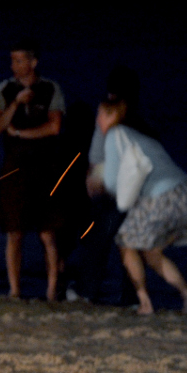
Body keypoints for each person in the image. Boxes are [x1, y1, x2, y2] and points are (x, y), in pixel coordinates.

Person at [97, 99, 187, 315]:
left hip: (161, 195)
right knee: (151, 253)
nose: (98, 121)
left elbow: (113, 183)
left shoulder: (115, 134)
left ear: (111, 116)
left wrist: (99, 182)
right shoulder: (144, 137)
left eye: (100, 116)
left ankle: (145, 302)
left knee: (125, 242)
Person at [69, 66, 153, 304]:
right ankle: (134, 296)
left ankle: (87, 291)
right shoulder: (141, 116)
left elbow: (98, 147)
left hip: (113, 189)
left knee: (99, 242)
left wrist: (93, 174)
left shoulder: (111, 112)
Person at [0, 38, 65, 300]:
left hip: (45, 167)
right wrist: (16, 104)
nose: (15, 65)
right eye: (12, 60)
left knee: (48, 232)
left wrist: (21, 133)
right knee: (14, 231)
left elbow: (54, 127)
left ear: (33, 62)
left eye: (20, 60)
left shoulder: (50, 88)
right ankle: (14, 289)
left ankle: (52, 290)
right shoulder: (4, 89)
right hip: (14, 168)